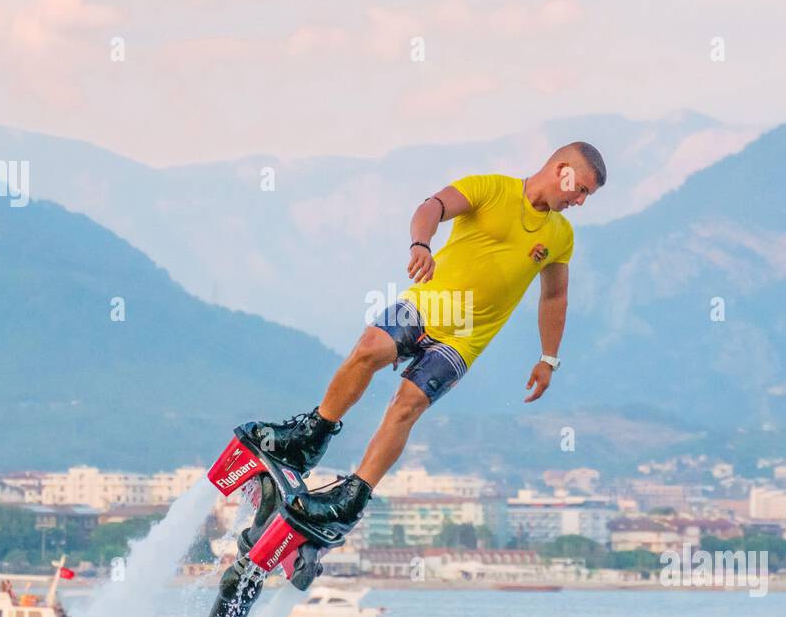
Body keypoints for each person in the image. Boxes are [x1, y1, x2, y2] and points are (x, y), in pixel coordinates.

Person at [240, 141, 606, 530]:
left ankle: (349, 501)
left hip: (463, 339)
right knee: (368, 350)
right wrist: (421, 244)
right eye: (580, 189)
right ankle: (310, 438)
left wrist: (548, 359)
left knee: (406, 405)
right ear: (561, 169)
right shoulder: (490, 189)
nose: (580, 202)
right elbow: (431, 206)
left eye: (587, 195)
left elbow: (554, 295)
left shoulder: (560, 236)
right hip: (425, 305)